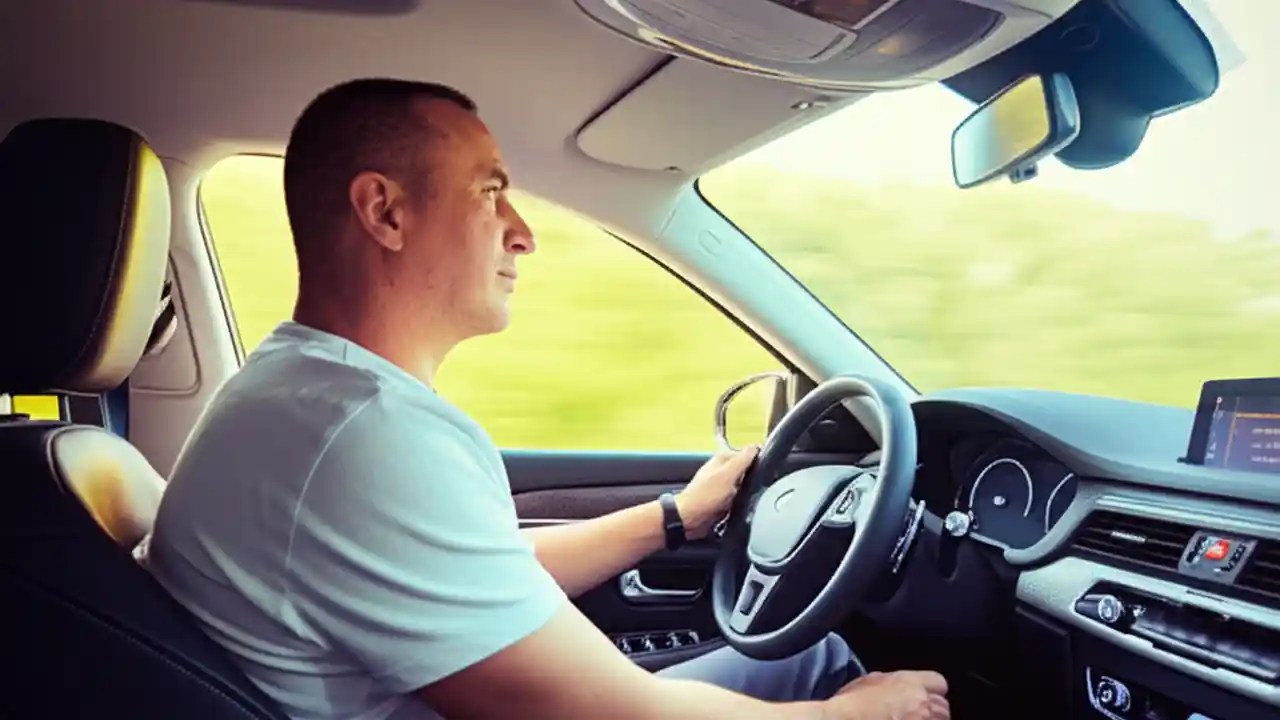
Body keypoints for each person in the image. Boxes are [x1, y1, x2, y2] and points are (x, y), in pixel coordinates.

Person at [143, 78, 949, 720]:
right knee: (823, 672)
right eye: (489, 192)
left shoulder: (295, 389)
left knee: (805, 662)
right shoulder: (365, 436)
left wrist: (675, 518)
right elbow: (611, 713)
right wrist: (847, 716)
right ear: (385, 212)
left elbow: (482, 574)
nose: (522, 231)